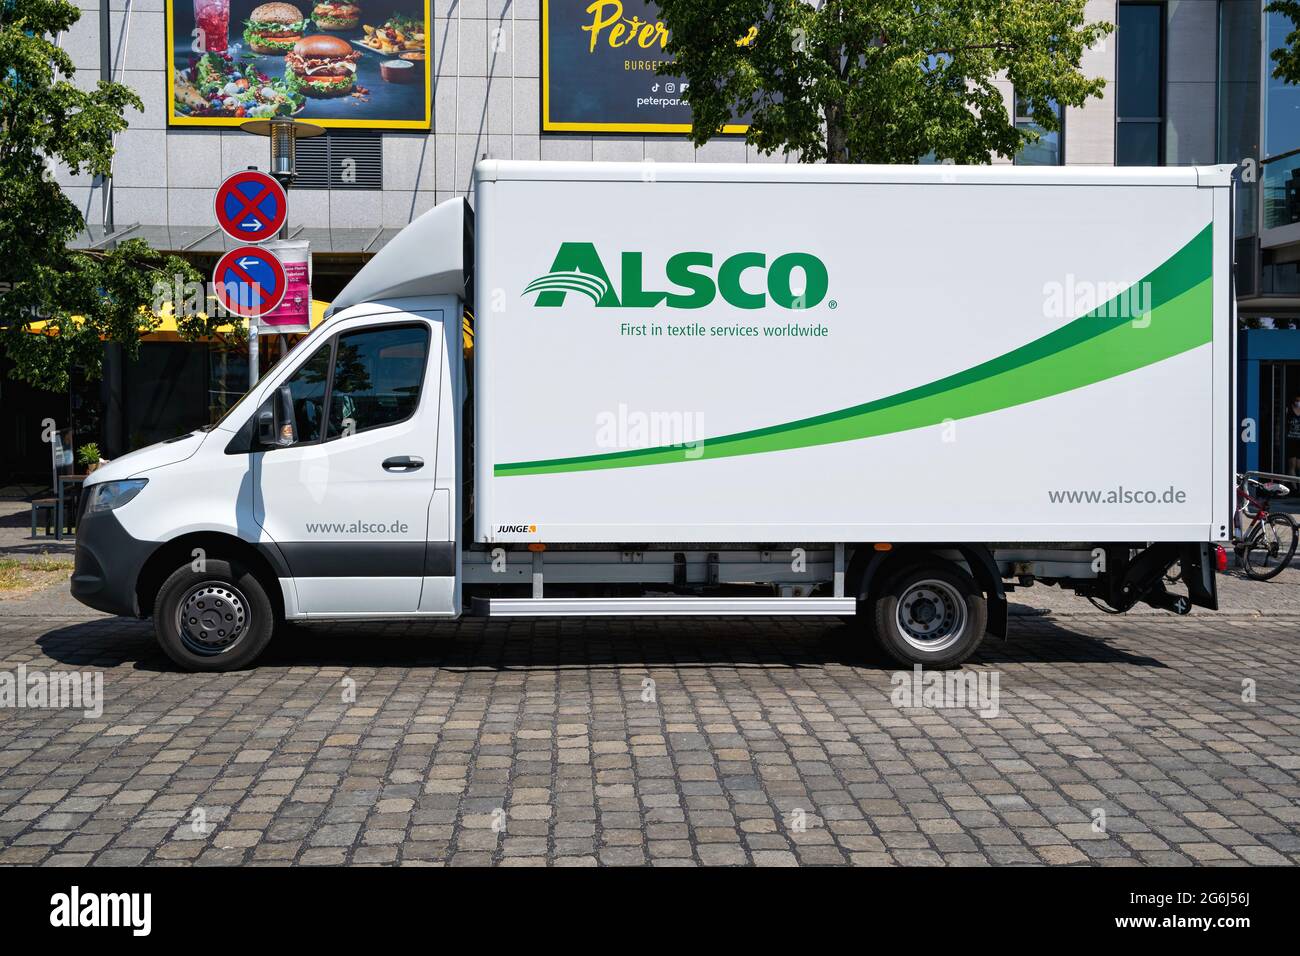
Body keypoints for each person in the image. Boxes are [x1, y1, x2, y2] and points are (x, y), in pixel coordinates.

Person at [1288, 395, 1300, 478]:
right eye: (1297, 400)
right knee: (1292, 465)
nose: (1298, 402)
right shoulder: (1288, 410)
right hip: (1291, 440)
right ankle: (1294, 488)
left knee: (1298, 466)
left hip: (1299, 441)